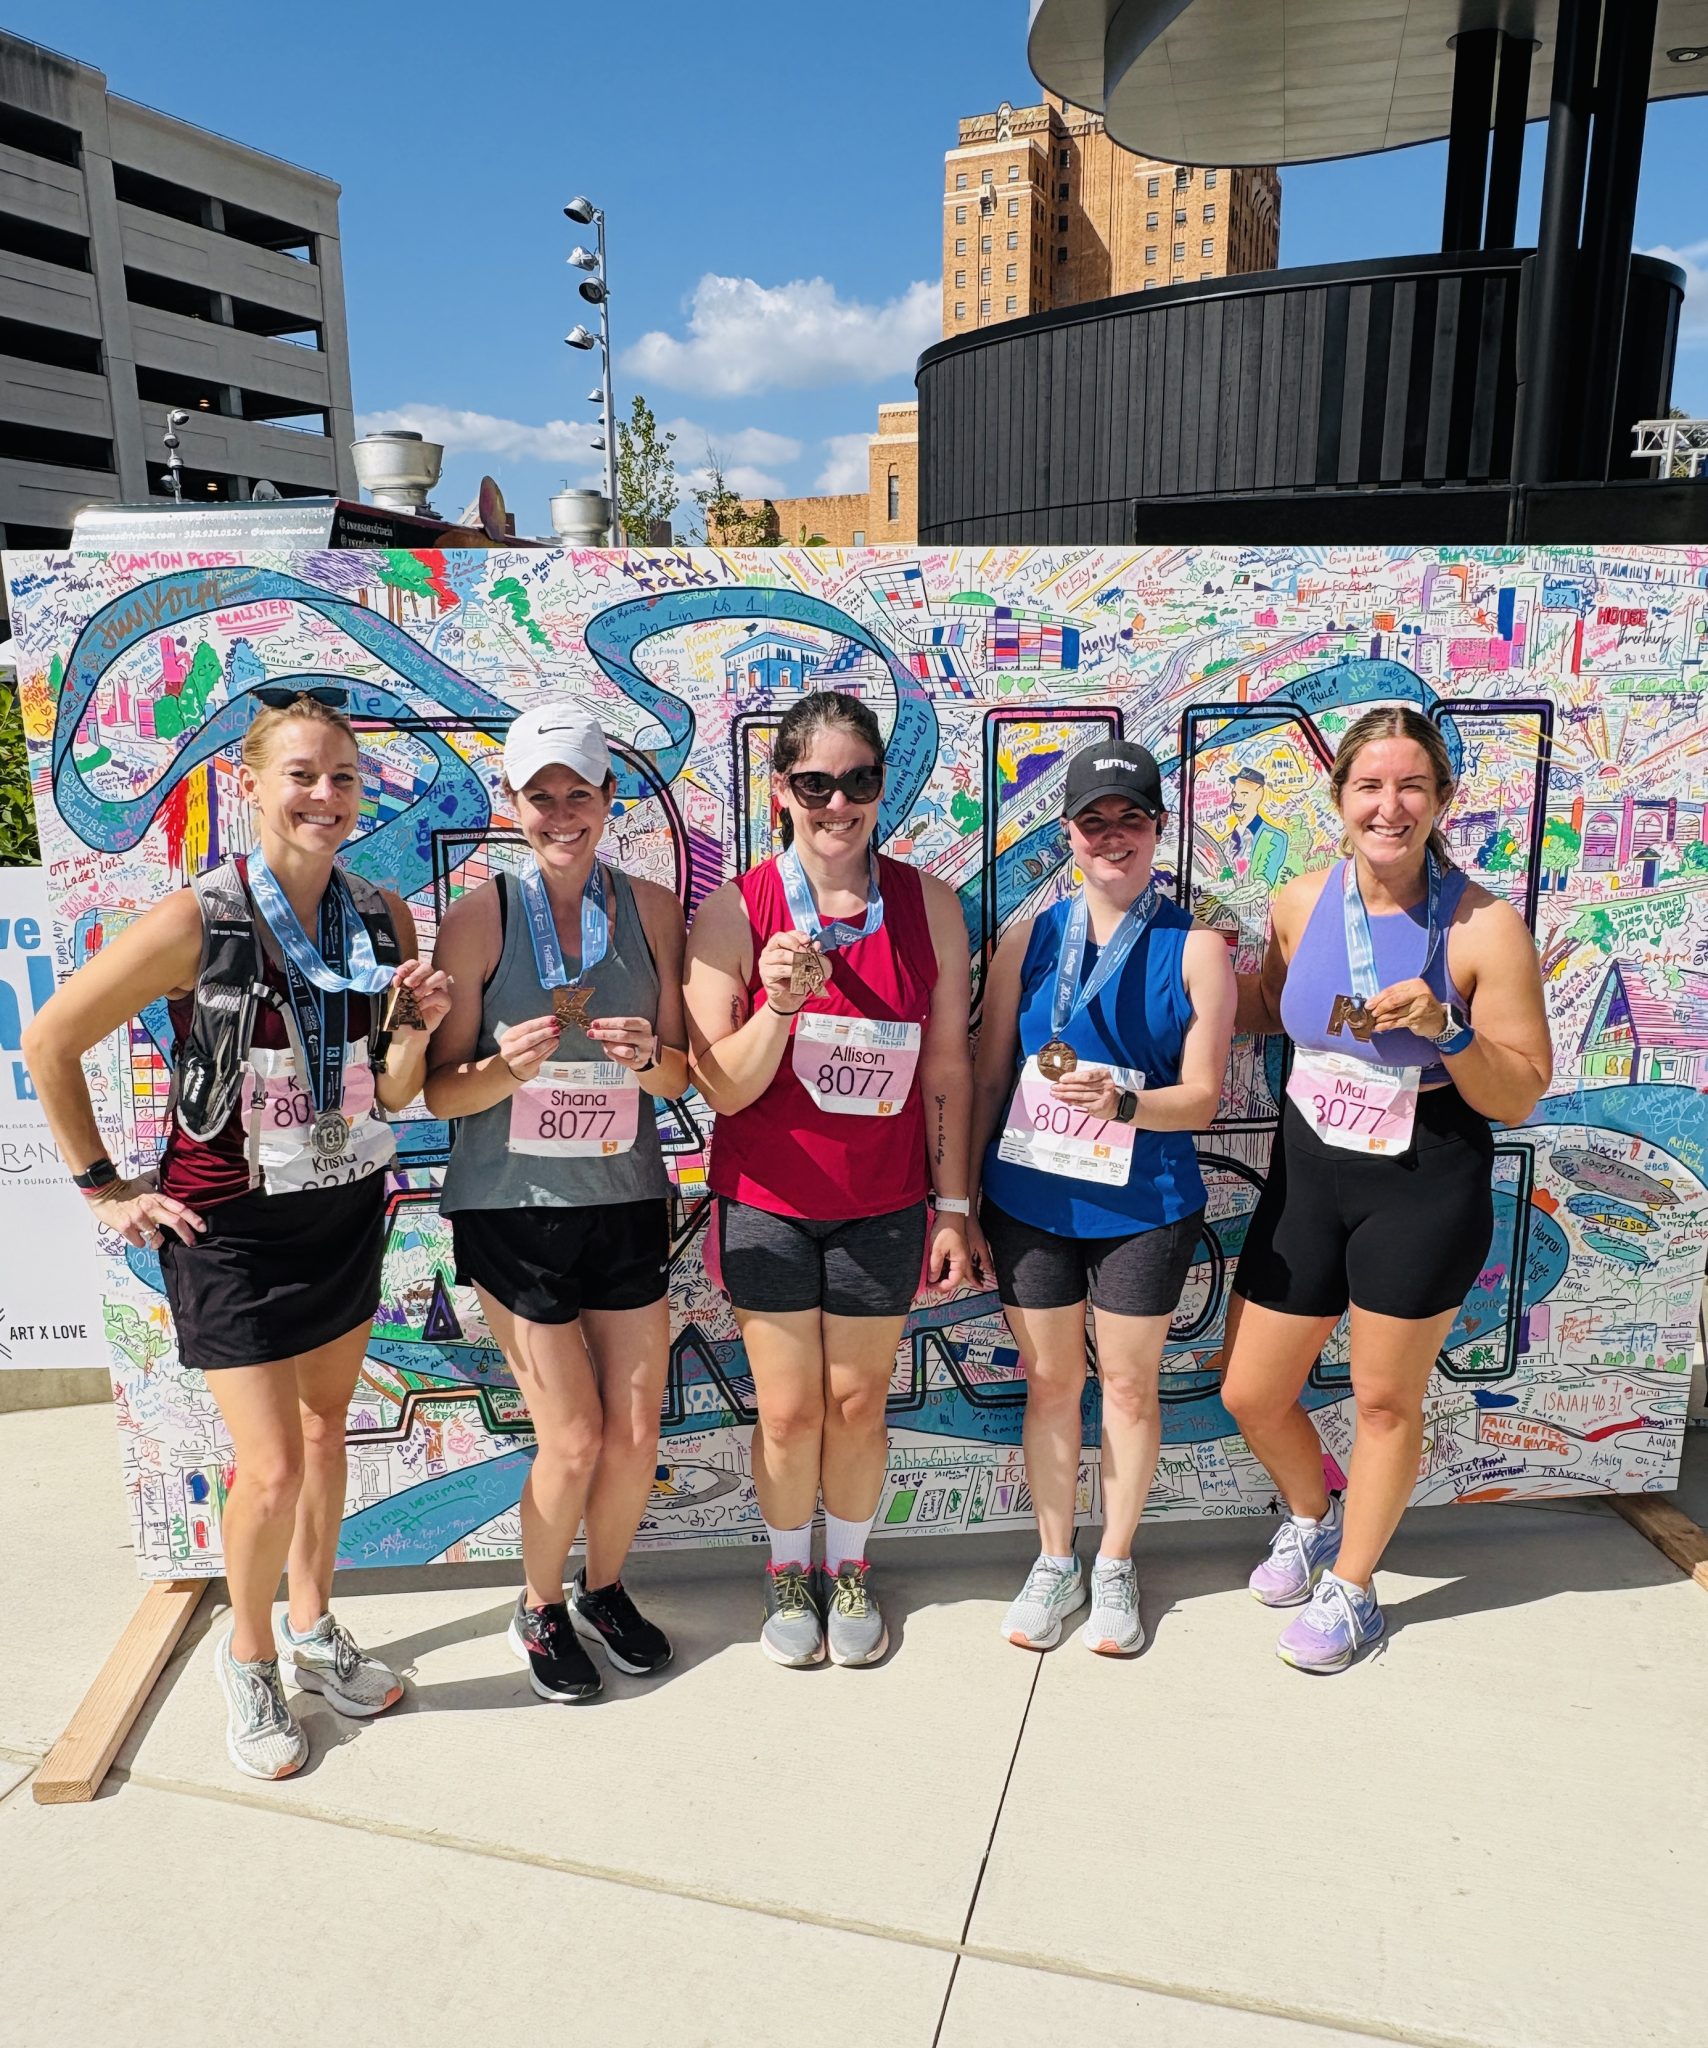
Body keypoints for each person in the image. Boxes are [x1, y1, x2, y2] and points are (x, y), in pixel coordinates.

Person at [24, 689, 452, 1779]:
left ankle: (313, 1626)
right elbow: (50, 1038)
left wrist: (414, 1028)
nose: (324, 794)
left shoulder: (382, 915)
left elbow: (395, 1090)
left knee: (322, 1439)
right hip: (230, 1229)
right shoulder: (197, 920)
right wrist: (104, 1184)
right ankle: (249, 1652)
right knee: (265, 1469)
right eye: (301, 773)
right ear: (248, 784)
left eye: (343, 777)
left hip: (345, 1205)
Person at [1221, 705, 1552, 1672]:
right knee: (1250, 1390)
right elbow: (1262, 1006)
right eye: (1370, 785)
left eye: (1412, 786)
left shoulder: (1484, 925)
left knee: (1381, 1402)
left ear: (1442, 800)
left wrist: (1450, 1030)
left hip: (1424, 1176)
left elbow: (1521, 1093)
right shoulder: (1299, 900)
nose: (1390, 805)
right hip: (1311, 1167)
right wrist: (1174, 967)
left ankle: (1355, 1588)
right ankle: (1314, 1517)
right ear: (1340, 800)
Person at [683, 689, 973, 1669]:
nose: (837, 803)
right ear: (780, 790)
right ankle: (786, 1572)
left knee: (857, 1404)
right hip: (766, 1202)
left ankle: (848, 1566)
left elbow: (945, 1070)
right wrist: (776, 1001)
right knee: (789, 1409)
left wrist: (955, 1203)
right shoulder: (736, 909)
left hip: (883, 1206)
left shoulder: (928, 903)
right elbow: (720, 1084)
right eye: (815, 782)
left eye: (857, 780)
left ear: (881, 788)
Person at [425, 703, 688, 1704]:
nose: (563, 810)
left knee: (635, 1426)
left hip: (622, 1194)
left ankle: (604, 1587)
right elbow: (436, 1091)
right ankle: (536, 1604)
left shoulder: (655, 909)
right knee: (570, 1434)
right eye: (542, 794)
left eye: (581, 790)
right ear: (513, 803)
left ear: (609, 799)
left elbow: (680, 1078)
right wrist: (503, 1064)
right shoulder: (479, 915)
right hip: (509, 1206)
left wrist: (645, 1058)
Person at [967, 739, 1236, 1655]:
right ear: (1069, 834)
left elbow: (1201, 1096)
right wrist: (957, 1206)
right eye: (1094, 822)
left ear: (1158, 828)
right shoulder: (1027, 938)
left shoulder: (1197, 947)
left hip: (1143, 1206)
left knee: (1127, 1384)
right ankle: (1054, 1560)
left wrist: (1124, 1102)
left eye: (1131, 819)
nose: (1113, 837)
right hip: (1029, 1200)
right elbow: (987, 1070)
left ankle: (1115, 1563)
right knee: (1051, 1382)